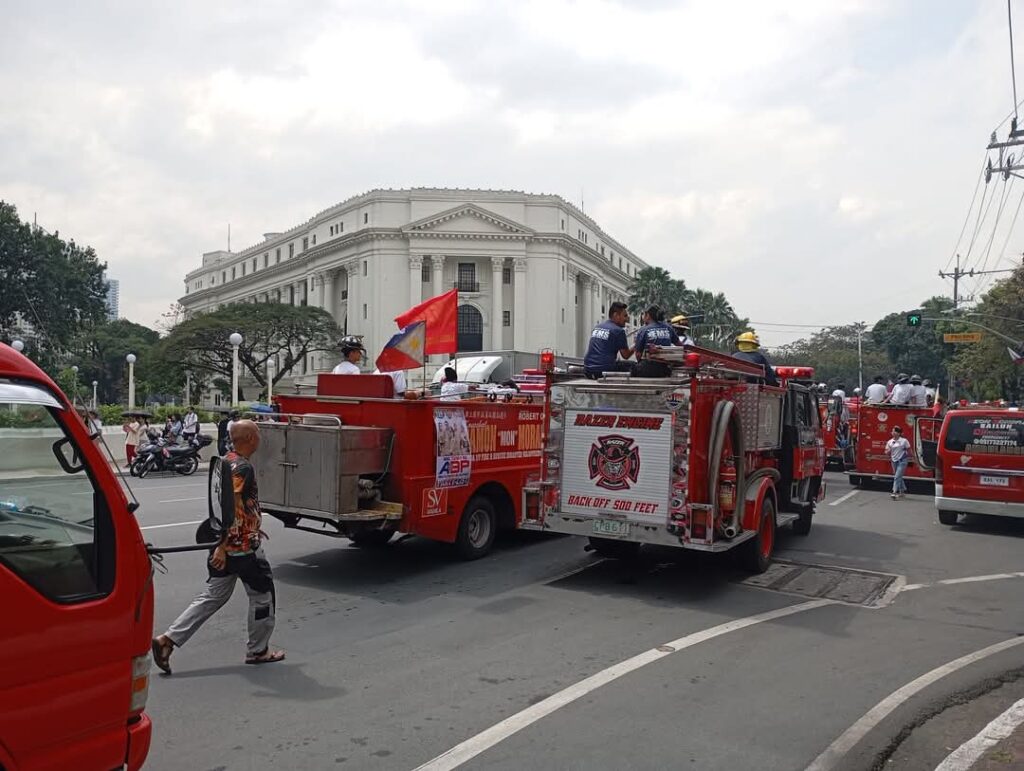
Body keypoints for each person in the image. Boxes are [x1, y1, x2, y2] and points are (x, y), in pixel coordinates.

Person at [151, 420, 284, 674]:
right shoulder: (242, 467)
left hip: (230, 543)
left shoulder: (226, 460)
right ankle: (258, 650)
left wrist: (249, 525)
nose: (260, 438)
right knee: (262, 596)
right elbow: (227, 505)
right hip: (242, 549)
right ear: (250, 439)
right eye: (257, 434)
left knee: (213, 596)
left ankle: (167, 640)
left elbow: (228, 506)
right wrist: (223, 545)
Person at [583, 302, 633, 378]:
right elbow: (626, 355)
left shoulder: (597, 327)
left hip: (588, 369)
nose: (627, 319)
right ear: (616, 315)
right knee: (635, 367)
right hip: (604, 370)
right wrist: (637, 343)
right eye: (625, 316)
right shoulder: (618, 331)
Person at [634, 305, 680, 377]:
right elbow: (680, 345)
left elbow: (638, 355)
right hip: (665, 369)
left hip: (647, 369)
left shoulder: (643, 330)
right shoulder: (669, 328)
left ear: (648, 315)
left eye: (643, 314)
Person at [885, 425, 911, 500]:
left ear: (899, 433)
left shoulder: (904, 441)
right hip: (894, 461)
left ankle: (894, 492)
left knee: (897, 476)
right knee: (898, 476)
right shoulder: (890, 442)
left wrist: (911, 457)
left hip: (902, 461)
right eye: (892, 431)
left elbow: (909, 450)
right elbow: (886, 452)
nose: (893, 432)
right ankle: (902, 491)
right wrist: (888, 451)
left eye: (894, 431)